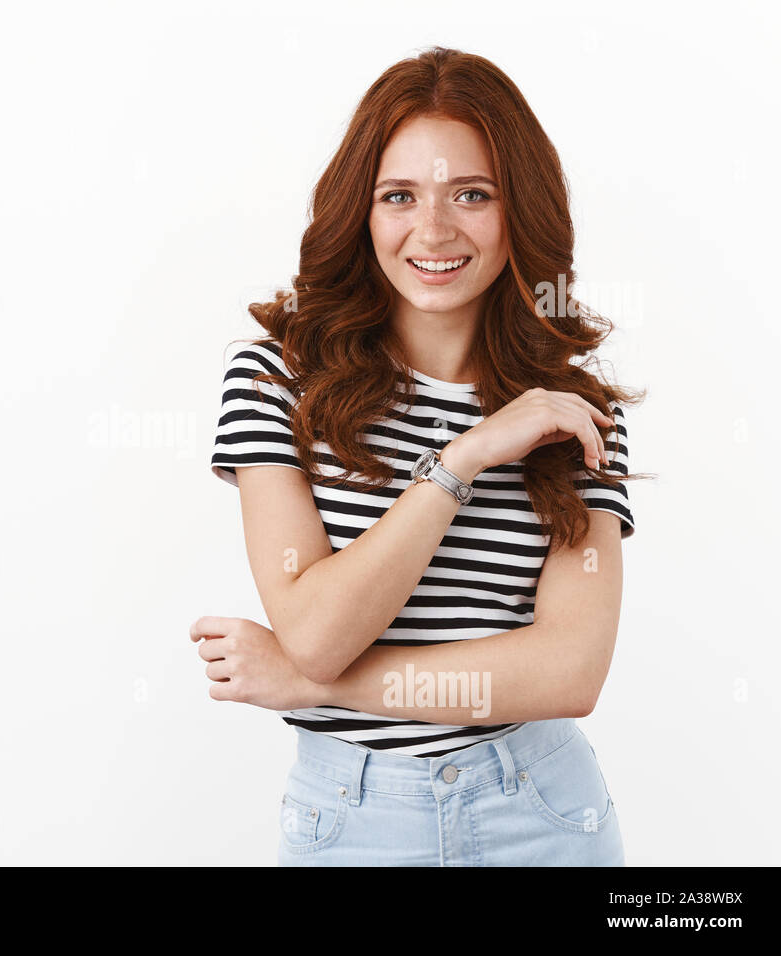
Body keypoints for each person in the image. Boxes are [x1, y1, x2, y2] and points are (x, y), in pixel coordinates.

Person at [195, 46, 650, 866]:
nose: (433, 231)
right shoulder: (277, 379)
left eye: (471, 195)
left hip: (540, 814)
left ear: (522, 211)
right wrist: (464, 457)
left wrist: (312, 688)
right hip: (351, 818)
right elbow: (317, 630)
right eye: (399, 195)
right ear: (360, 213)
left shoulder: (572, 410)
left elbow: (571, 672)